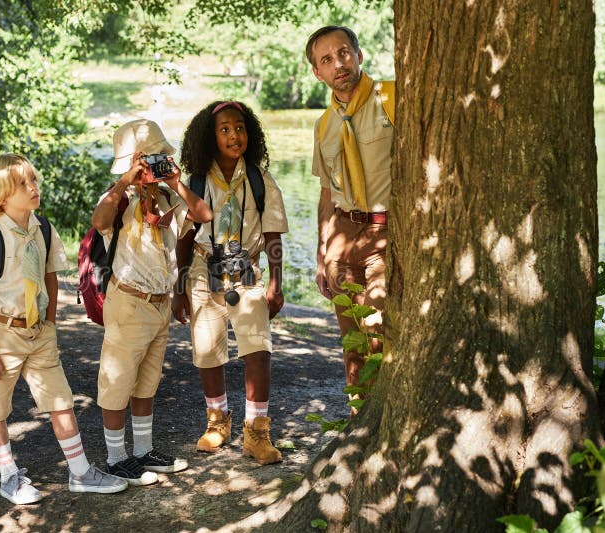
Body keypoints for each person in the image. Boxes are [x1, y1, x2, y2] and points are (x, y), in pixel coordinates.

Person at [0, 153, 127, 505]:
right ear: (0, 195)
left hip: (38, 332)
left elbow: (50, 279)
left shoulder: (44, 229)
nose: (34, 187)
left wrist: (50, 323)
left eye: (34, 180)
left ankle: (80, 471)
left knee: (60, 401)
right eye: (23, 184)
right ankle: (9, 476)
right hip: (1, 333)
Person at [91, 119, 212, 485]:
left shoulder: (169, 197)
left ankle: (143, 452)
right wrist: (126, 181)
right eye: (145, 160)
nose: (152, 167)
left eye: (158, 159)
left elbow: (204, 215)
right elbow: (99, 221)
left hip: (159, 305)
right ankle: (116, 458)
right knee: (117, 382)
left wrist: (175, 182)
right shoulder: (120, 197)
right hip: (129, 301)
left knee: (147, 383)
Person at [173, 100, 288, 465]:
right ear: (211, 136)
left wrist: (276, 283)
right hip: (203, 272)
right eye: (224, 129)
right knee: (208, 351)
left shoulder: (258, 179)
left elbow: (272, 235)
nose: (233, 135)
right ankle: (217, 421)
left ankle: (257, 432)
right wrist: (179, 289)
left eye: (239, 127)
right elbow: (184, 240)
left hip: (248, 271)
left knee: (257, 350)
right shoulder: (195, 182)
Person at [306, 26, 393, 393]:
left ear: (359, 55)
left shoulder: (392, 97)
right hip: (343, 239)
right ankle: (359, 420)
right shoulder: (324, 124)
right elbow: (327, 192)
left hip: (386, 235)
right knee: (352, 342)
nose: (338, 64)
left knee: (376, 332)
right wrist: (323, 250)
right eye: (326, 59)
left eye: (343, 53)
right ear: (318, 72)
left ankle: (383, 416)